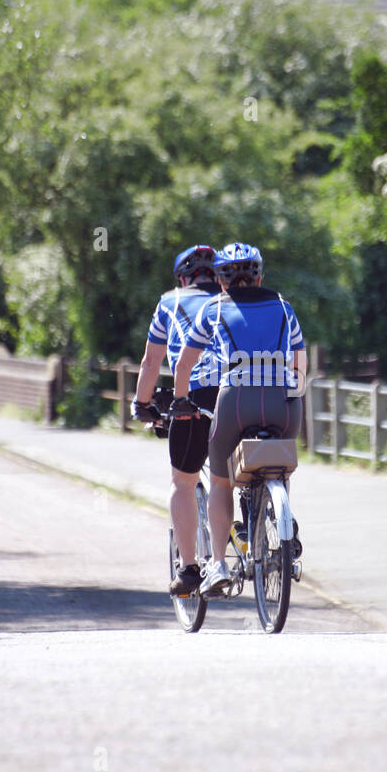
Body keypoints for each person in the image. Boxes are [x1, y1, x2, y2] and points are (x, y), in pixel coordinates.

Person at [171, 242, 307, 595]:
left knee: (220, 481)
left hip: (236, 400)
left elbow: (184, 364)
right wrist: (293, 393)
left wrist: (182, 400)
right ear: (260, 275)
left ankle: (217, 565)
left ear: (222, 280)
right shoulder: (284, 307)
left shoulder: (213, 309)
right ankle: (284, 526)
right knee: (277, 464)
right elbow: (300, 365)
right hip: (282, 402)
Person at [130, 245, 223, 596]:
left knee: (183, 483)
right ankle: (249, 527)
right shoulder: (231, 301)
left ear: (183, 278)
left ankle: (188, 571)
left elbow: (151, 362)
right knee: (233, 473)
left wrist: (141, 404)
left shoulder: (170, 302)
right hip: (239, 392)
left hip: (193, 396)